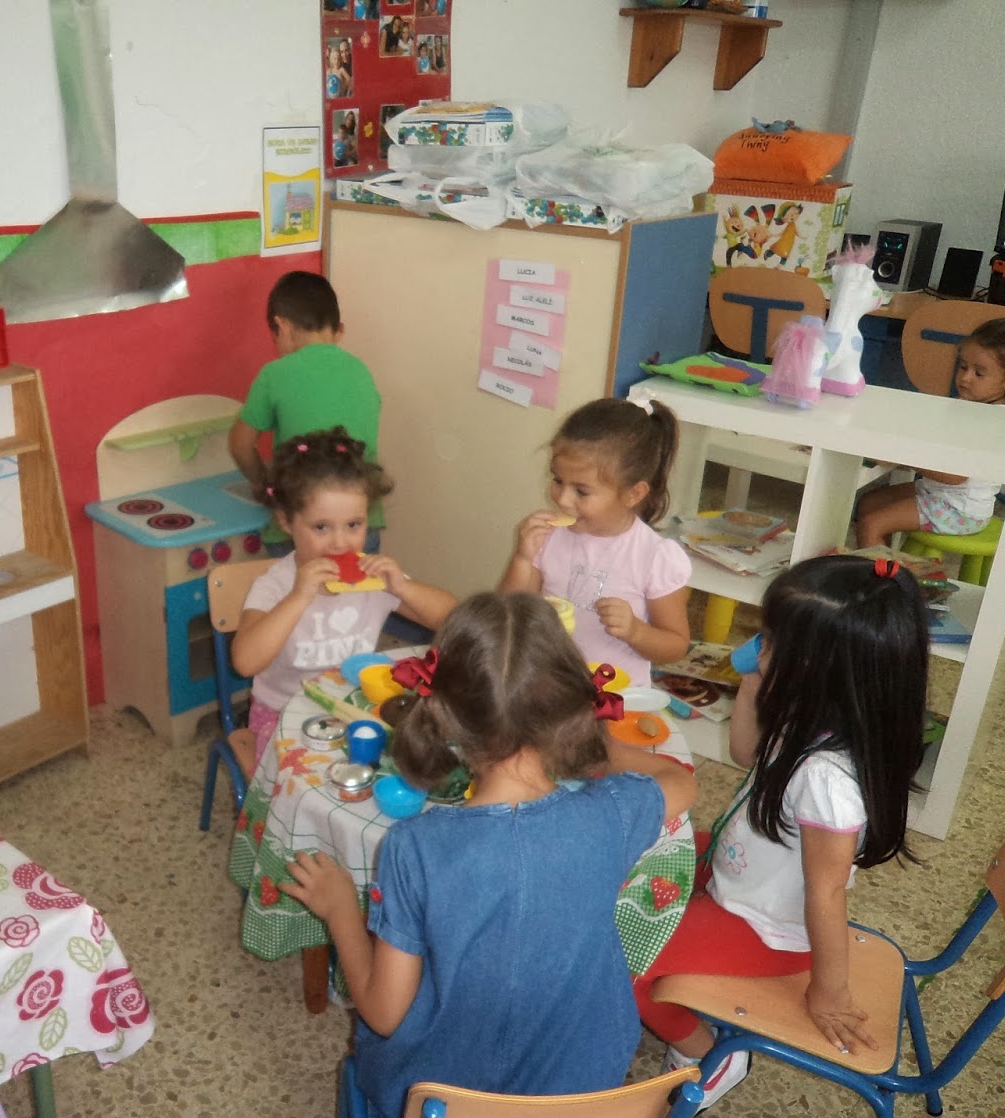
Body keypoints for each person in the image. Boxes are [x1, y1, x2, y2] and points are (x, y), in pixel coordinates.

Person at [284, 592, 696, 1118]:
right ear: (571, 710)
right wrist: (602, 744)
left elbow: (382, 1011)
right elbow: (678, 780)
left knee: (373, 1048)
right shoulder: (613, 814)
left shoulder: (414, 848)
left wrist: (341, 910)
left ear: (444, 720)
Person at [632, 554, 929, 1110]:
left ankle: (708, 1057)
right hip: (742, 873)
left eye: (769, 642)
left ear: (818, 667)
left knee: (624, 963)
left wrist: (829, 990)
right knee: (643, 851)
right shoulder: (810, 715)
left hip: (765, 928)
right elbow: (746, 753)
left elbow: (827, 891)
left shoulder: (828, 780)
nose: (758, 648)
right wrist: (750, 687)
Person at [232, 429, 454, 759]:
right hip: (285, 717)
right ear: (286, 522)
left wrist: (402, 587)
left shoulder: (372, 576)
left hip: (357, 705)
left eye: (353, 525)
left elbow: (457, 621)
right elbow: (246, 661)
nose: (340, 543)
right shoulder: (275, 585)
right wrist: (298, 597)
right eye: (321, 527)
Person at [499, 395, 691, 689]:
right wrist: (523, 559)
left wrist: (635, 631)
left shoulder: (654, 557)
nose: (563, 500)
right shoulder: (548, 537)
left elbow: (675, 645)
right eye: (558, 480)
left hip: (617, 701)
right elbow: (507, 613)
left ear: (633, 494)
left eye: (582, 491)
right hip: (547, 687)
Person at [856, 318, 1005, 546]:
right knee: (869, 502)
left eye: (979, 373)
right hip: (939, 494)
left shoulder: (987, 421)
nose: (965, 378)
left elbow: (954, 476)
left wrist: (903, 457)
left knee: (873, 522)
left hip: (961, 510)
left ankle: (878, 580)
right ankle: (889, 567)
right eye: (963, 367)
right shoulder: (975, 404)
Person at [230, 271, 384, 553]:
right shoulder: (361, 371)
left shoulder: (275, 373)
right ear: (339, 331)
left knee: (297, 594)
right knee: (356, 595)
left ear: (282, 326)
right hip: (359, 522)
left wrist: (262, 485)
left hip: (305, 524)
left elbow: (240, 445)